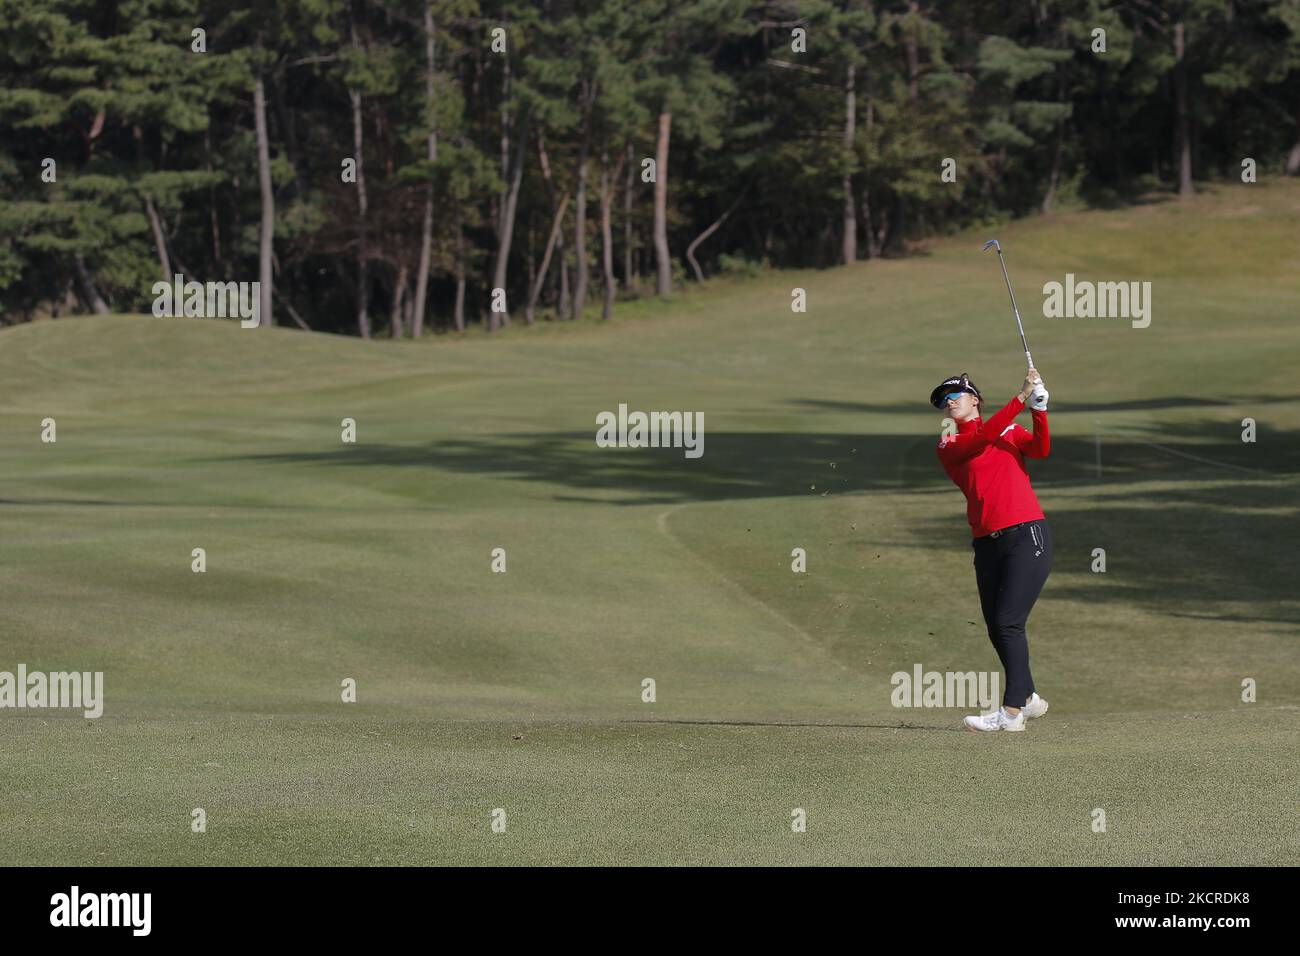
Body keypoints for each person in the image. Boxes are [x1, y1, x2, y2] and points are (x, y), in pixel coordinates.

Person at [930, 370, 1052, 732]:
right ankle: (1028, 697)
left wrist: (1040, 410)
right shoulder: (948, 440)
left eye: (956, 394)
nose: (949, 401)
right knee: (997, 628)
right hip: (986, 543)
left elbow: (1041, 450)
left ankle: (1011, 713)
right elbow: (980, 438)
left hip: (1026, 534)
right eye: (943, 398)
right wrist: (1021, 398)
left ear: (975, 399)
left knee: (1009, 623)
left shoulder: (1009, 431)